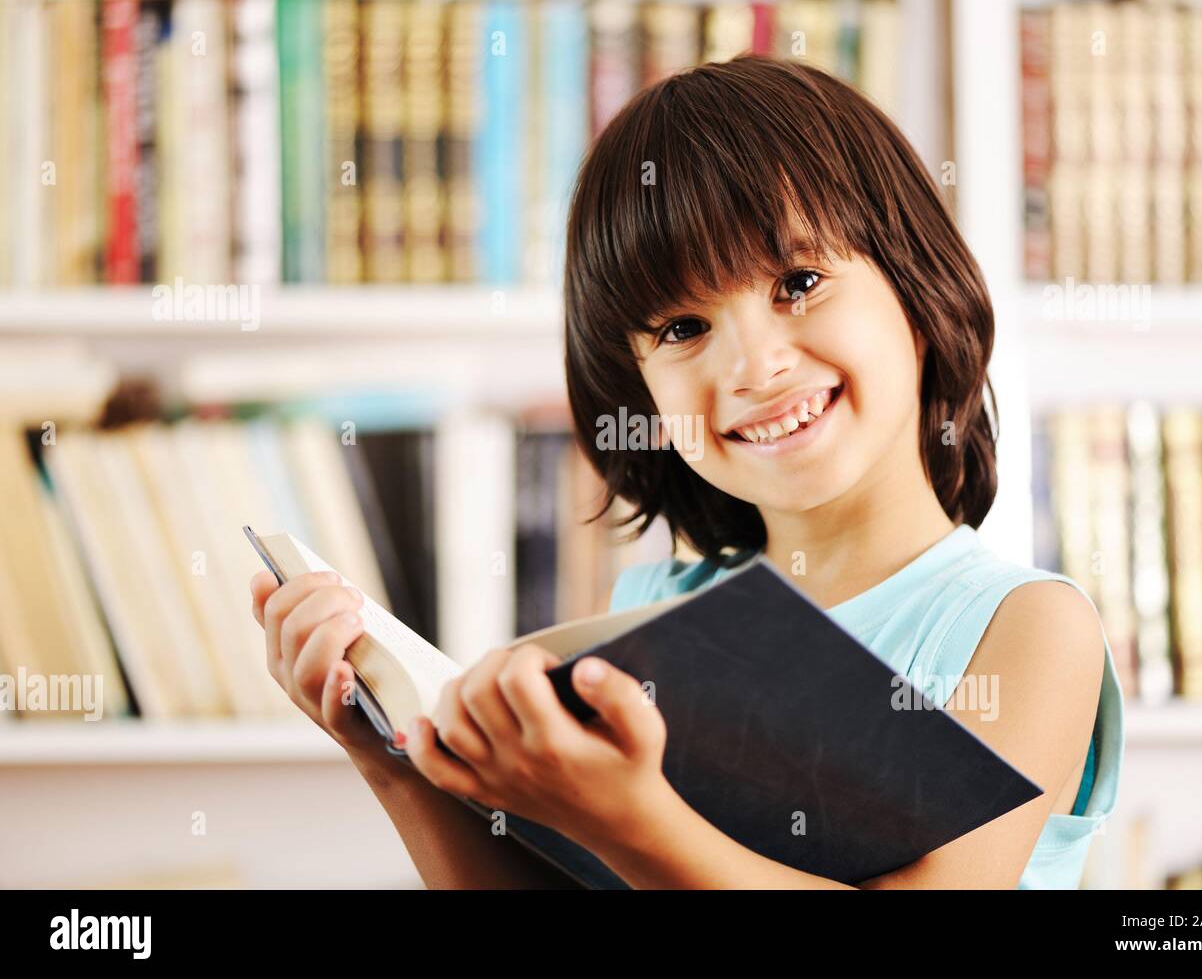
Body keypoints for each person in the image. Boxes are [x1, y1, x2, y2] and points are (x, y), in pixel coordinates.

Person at [251, 55, 1123, 889]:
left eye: (800, 280)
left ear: (917, 293)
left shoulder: (1028, 628)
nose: (753, 366)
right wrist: (396, 761)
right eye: (681, 329)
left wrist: (628, 818)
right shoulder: (650, 618)